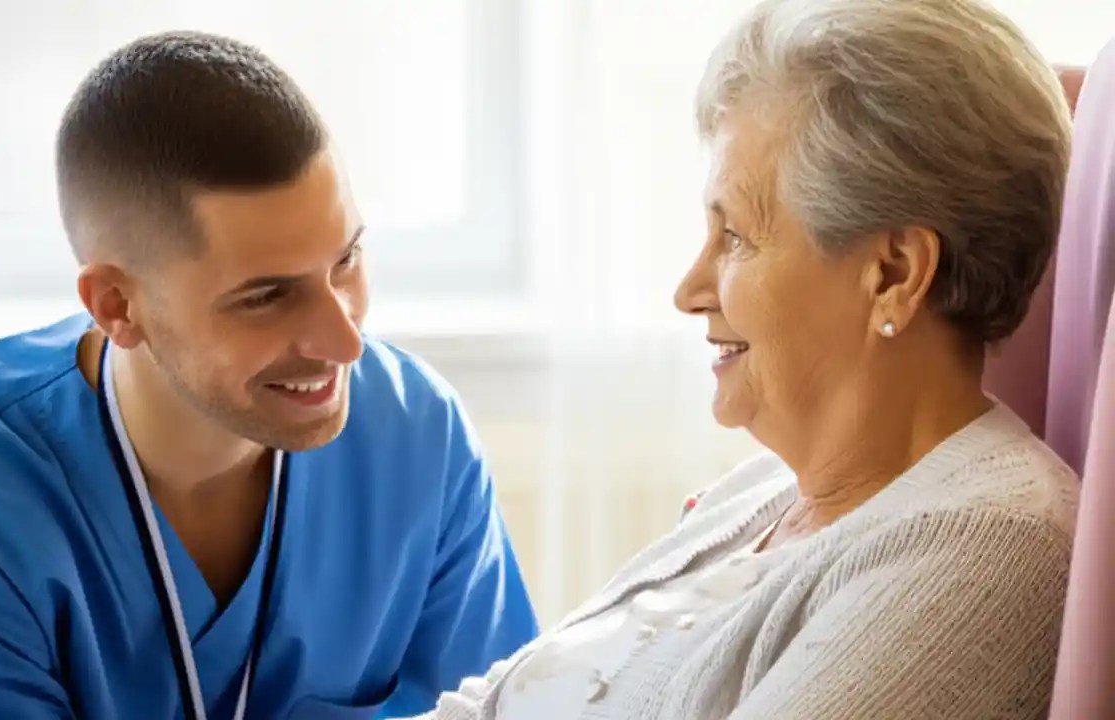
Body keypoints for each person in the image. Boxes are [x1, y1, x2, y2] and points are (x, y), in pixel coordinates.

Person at [0, 31, 537, 720]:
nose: (344, 340)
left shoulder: (417, 442)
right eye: (266, 296)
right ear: (118, 306)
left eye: (346, 262)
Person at [409, 1, 1079, 718]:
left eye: (735, 238)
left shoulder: (984, 551)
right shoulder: (767, 492)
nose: (689, 291)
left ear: (894, 273)